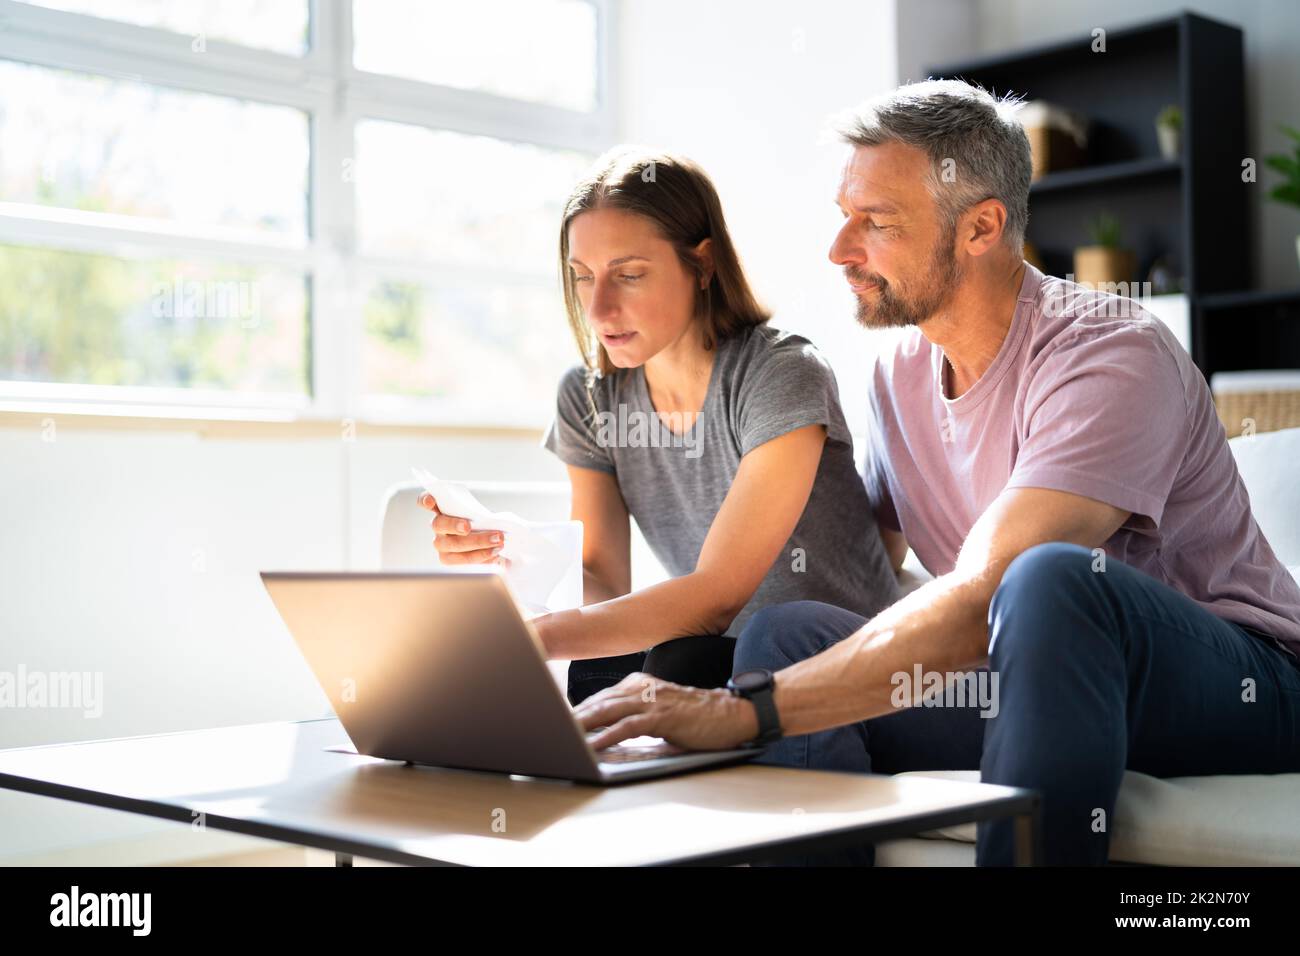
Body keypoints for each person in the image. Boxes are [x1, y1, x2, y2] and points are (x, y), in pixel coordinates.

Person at [571, 81, 1300, 866]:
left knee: (1052, 580)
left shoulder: (1109, 351)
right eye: (843, 216)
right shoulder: (898, 376)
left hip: (1239, 681)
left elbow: (990, 590)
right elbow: (861, 570)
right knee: (790, 633)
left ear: (982, 226)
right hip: (1021, 680)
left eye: (875, 223)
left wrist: (749, 714)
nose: (840, 249)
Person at [419, 146, 899, 705]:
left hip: (845, 664)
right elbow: (603, 581)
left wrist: (530, 641)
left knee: (674, 662)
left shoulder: (780, 372)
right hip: (723, 663)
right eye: (582, 277)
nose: (598, 310)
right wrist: (511, 547)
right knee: (605, 673)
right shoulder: (589, 397)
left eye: (628, 275)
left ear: (702, 264)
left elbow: (715, 596)